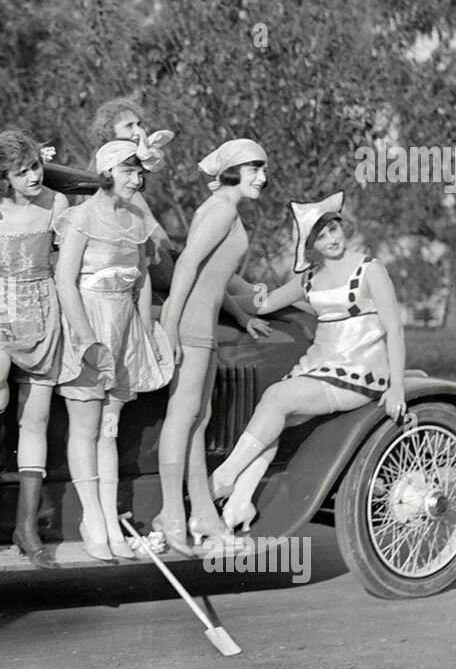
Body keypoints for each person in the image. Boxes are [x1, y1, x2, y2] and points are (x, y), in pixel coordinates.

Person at [210, 191, 406, 530]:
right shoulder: (309, 278)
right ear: (309, 243)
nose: (331, 239)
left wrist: (398, 387)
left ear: (343, 228)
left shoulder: (370, 269)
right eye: (321, 235)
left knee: (275, 398)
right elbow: (264, 302)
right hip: (320, 367)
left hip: (361, 371)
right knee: (275, 417)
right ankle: (241, 503)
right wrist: (220, 279)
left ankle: (223, 477)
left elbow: (394, 329)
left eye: (333, 229)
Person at [55, 138, 175, 561]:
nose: (136, 178)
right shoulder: (82, 217)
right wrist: (87, 340)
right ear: (106, 173)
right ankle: (92, 518)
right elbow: (65, 282)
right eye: (127, 170)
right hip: (88, 323)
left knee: (110, 428)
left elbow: (140, 280)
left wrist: (141, 332)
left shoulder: (135, 221)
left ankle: (110, 519)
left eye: (139, 171)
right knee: (86, 426)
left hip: (123, 325)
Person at [153, 139, 268, 556]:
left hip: (204, 325)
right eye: (255, 169)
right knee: (182, 418)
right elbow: (186, 265)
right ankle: (170, 514)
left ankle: (203, 514)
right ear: (234, 169)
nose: (262, 178)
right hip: (190, 327)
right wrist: (169, 324)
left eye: (262, 169)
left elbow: (213, 279)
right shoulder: (220, 210)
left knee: (198, 421)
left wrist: (242, 316)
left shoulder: (226, 210)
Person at [0, 129, 69, 568]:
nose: (34, 176)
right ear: (3, 178)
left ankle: (26, 526)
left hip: (42, 310)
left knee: (37, 420)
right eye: (22, 170)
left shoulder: (56, 205)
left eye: (36, 166)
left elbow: (65, 267)